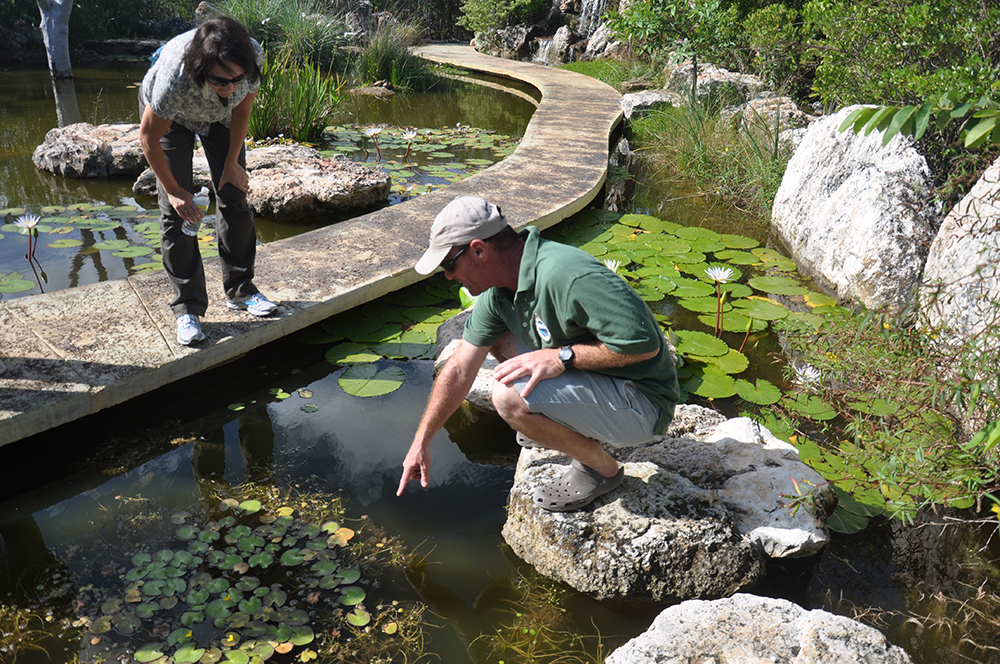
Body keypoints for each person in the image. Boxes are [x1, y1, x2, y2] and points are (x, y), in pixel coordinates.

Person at [397, 196, 679, 511]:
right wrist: (421, 441)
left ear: (479, 249)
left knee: (507, 396)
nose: (449, 276)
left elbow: (644, 346)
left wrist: (559, 358)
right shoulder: (500, 294)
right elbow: (460, 369)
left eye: (449, 264)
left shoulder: (566, 275)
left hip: (644, 404)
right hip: (605, 382)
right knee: (497, 338)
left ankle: (601, 470)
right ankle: (554, 421)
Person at [139, 15, 277, 347]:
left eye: (236, 79)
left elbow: (241, 110)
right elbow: (148, 138)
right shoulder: (176, 77)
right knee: (178, 213)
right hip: (173, 120)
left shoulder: (251, 55)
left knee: (235, 195)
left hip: (221, 118)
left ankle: (241, 289)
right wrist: (174, 191)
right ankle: (187, 307)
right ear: (203, 70)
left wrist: (231, 164)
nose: (229, 87)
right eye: (219, 80)